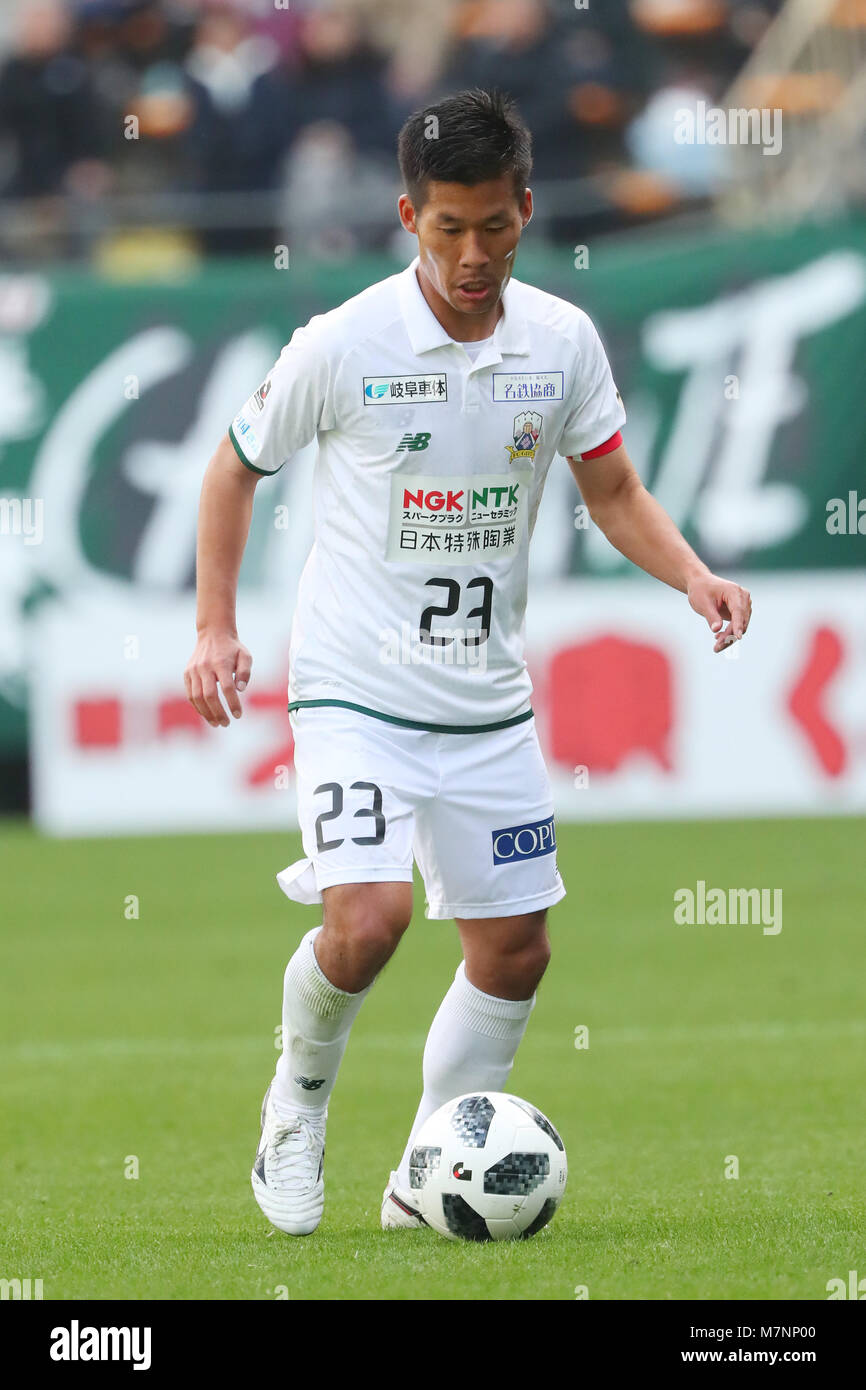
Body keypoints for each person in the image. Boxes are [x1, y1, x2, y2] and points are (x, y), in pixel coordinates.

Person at [183, 88, 751, 1237]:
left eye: (492, 225)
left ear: (526, 211)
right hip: (353, 686)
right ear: (407, 216)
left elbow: (614, 491)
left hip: (485, 701)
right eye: (447, 228)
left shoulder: (561, 344)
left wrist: (690, 573)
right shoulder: (342, 344)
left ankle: (423, 1175)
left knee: (515, 948)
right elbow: (232, 467)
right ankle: (294, 1108)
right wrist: (212, 626)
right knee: (370, 920)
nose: (471, 253)